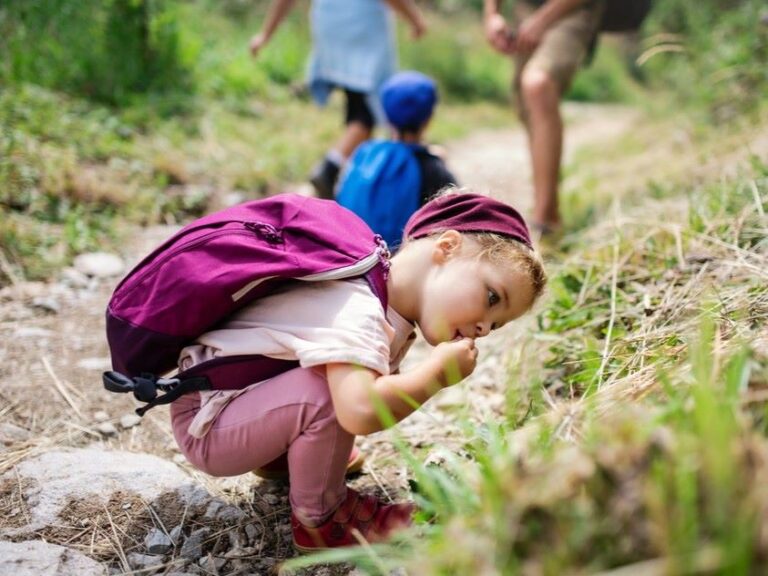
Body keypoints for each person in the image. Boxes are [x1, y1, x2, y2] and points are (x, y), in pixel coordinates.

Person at [169, 190, 547, 551]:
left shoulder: (384, 301)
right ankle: (324, 518)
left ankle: (286, 456)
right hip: (210, 421)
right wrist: (434, 376)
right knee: (330, 395)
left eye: (497, 325)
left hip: (233, 401)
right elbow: (360, 411)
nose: (484, 328)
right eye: (492, 297)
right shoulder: (358, 305)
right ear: (447, 247)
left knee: (339, 383)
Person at [250, 0, 427, 199]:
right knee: (367, 110)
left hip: (328, 23)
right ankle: (330, 168)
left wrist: (265, 34)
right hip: (362, 25)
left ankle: (355, 178)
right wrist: (415, 20)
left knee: (357, 100)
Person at [483, 0, 605, 237]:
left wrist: (542, 20)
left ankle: (542, 224)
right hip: (526, 9)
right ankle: (550, 211)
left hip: (573, 8)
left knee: (538, 84)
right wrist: (492, 15)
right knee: (527, 106)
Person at [336, 70, 458, 251]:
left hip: (350, 253)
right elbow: (456, 216)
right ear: (429, 119)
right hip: (394, 262)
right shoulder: (432, 168)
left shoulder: (365, 152)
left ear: (386, 116)